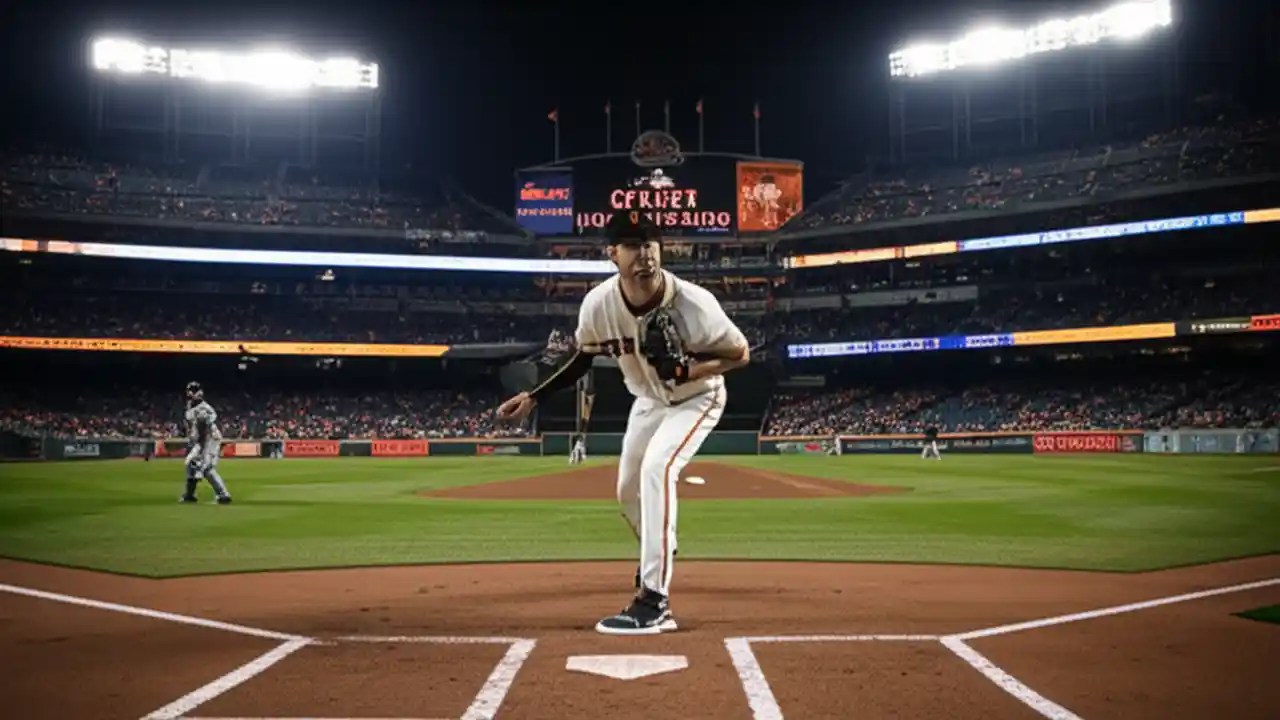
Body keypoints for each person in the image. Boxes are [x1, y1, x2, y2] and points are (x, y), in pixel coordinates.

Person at [497, 211, 750, 635]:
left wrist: (689, 371)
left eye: (650, 243)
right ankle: (660, 546)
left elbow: (740, 354)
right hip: (649, 401)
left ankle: (654, 600)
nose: (645, 253)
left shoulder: (695, 303)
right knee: (626, 491)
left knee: (658, 469)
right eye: (632, 245)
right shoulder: (598, 305)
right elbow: (582, 356)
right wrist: (533, 396)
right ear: (612, 253)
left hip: (696, 398)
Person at [179, 381, 232, 505]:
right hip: (201, 440)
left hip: (210, 439)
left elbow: (205, 430)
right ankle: (189, 495)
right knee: (191, 464)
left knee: (206, 468)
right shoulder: (190, 406)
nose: (190, 393)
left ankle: (223, 495)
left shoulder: (203, 409)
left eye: (193, 390)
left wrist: (201, 448)